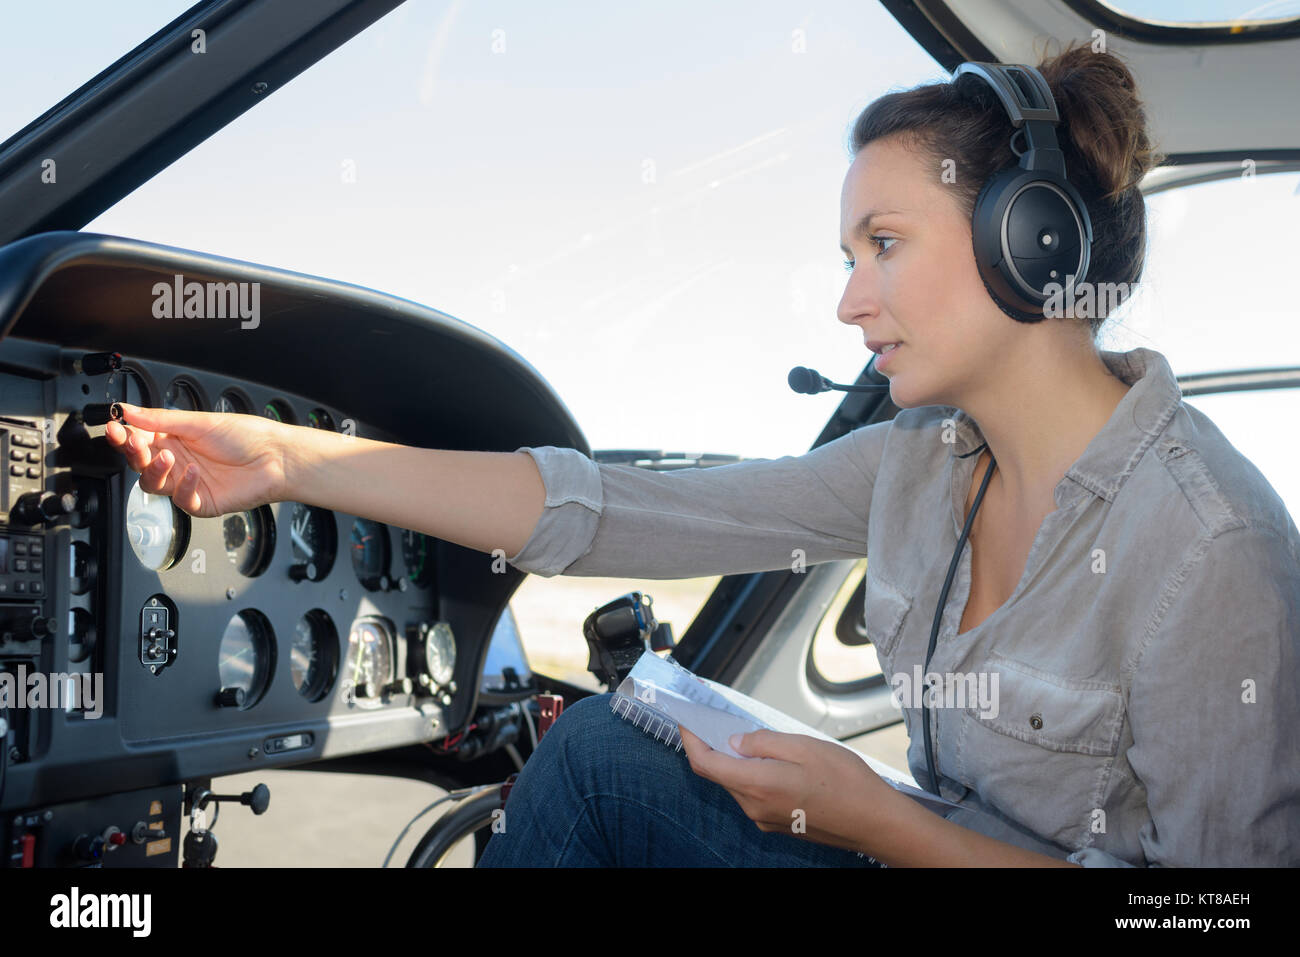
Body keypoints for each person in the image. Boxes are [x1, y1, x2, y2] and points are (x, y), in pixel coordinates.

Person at [107, 44, 1300, 867]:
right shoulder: (921, 466)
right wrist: (284, 458)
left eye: (882, 244)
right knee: (597, 753)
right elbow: (608, 511)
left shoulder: (1210, 550)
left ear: (1031, 244)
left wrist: (878, 823)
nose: (848, 300)